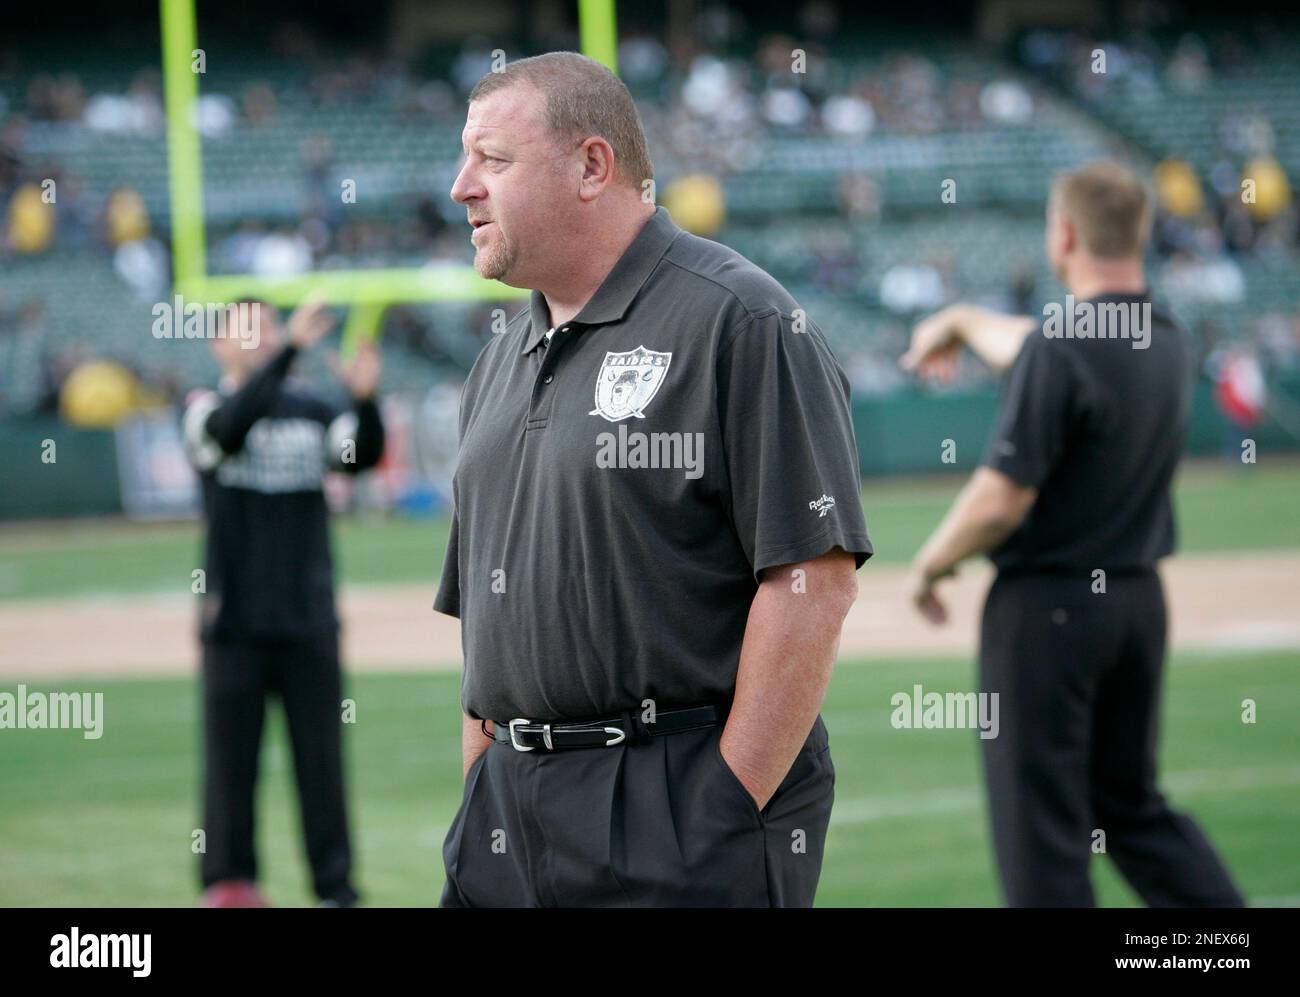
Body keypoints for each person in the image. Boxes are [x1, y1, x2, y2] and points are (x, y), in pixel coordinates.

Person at [435, 52, 872, 907]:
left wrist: (720, 804)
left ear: (591, 166)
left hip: (668, 797)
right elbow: (487, 622)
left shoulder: (742, 321)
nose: (461, 187)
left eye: (493, 159)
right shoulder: (496, 361)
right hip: (508, 816)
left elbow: (812, 581)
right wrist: (483, 789)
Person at [900, 160, 1245, 907]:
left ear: (1062, 234)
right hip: (1138, 608)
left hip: (1047, 614)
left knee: (1041, 836)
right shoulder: (1167, 338)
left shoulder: (1062, 348)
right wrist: (960, 319)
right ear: (1140, 233)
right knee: (1132, 809)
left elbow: (999, 500)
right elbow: (1037, 346)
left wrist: (929, 564)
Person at [181, 299, 385, 907]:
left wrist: (366, 402)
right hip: (234, 623)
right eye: (248, 329)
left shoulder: (315, 410)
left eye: (268, 327)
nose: (263, 338)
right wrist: (292, 351)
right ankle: (230, 884)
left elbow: (362, 458)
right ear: (218, 344)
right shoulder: (204, 408)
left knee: (321, 765)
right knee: (229, 763)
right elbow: (229, 431)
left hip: (307, 620)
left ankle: (334, 889)